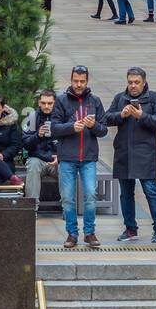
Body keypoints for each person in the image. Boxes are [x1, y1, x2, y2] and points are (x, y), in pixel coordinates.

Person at [106, 68, 156, 244]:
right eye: (130, 82)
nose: (133, 85)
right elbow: (107, 118)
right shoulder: (120, 98)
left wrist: (141, 115)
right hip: (124, 153)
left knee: (151, 191)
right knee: (125, 194)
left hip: (145, 153)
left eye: (136, 82)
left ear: (144, 82)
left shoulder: (155, 98)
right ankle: (130, 228)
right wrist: (121, 115)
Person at [50, 67, 107, 249]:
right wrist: (71, 127)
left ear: (87, 81)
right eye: (76, 81)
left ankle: (89, 232)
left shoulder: (95, 101)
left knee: (90, 194)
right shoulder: (61, 100)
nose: (79, 84)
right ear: (71, 79)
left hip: (88, 157)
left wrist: (94, 125)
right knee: (67, 197)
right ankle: (72, 233)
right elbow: (54, 128)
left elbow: (104, 130)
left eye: (82, 81)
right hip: (67, 157)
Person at [20, 89, 58, 207]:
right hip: (38, 159)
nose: (46, 106)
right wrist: (38, 135)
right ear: (39, 103)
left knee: (67, 166)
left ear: (55, 102)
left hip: (57, 159)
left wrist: (61, 156)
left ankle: (68, 209)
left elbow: (69, 142)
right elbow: (25, 143)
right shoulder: (32, 117)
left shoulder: (60, 117)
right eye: (43, 103)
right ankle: (31, 208)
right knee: (33, 164)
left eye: (50, 103)